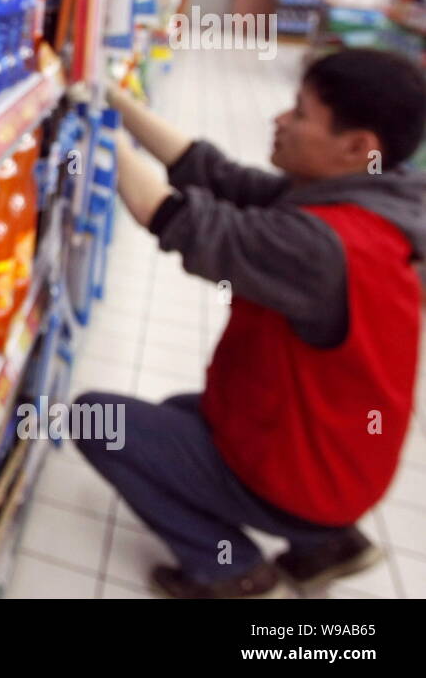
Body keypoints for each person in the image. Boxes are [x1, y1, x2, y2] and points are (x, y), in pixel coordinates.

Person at [74, 49, 426, 598]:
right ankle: (326, 544)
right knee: (171, 418)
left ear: (358, 147)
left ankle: (232, 571)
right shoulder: (375, 196)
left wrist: (98, 132)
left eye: (300, 113)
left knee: (97, 420)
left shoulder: (325, 246)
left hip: (310, 480)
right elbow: (218, 177)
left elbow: (179, 220)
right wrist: (114, 99)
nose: (280, 120)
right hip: (342, 457)